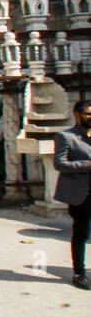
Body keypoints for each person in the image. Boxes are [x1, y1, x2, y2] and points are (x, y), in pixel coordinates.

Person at [52, 99, 91, 290]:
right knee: (81, 233)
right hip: (81, 194)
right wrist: (87, 165)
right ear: (77, 115)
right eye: (88, 114)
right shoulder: (65, 137)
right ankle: (79, 272)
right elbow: (59, 164)